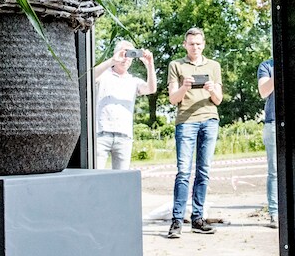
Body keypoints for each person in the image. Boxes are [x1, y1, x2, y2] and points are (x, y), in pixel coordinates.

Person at [165, 28, 223, 239]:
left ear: (204, 44)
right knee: (183, 171)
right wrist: (184, 86)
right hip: (186, 122)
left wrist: (211, 89)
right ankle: (177, 220)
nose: (195, 47)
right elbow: (173, 99)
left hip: (209, 119)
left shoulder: (214, 66)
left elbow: (218, 100)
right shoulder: (176, 65)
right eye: (191, 44)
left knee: (204, 171)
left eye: (198, 44)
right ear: (185, 44)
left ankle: (198, 218)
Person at [93, 41, 156, 170]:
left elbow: (151, 88)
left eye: (130, 54)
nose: (126, 58)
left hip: (124, 136)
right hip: (101, 133)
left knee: (121, 179)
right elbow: (89, 77)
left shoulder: (133, 80)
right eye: (123, 53)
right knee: (95, 176)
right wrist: (113, 60)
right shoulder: (104, 75)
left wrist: (150, 65)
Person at [257, 58, 278, 228]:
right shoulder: (266, 66)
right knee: (274, 171)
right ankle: (274, 212)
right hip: (273, 122)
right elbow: (264, 91)